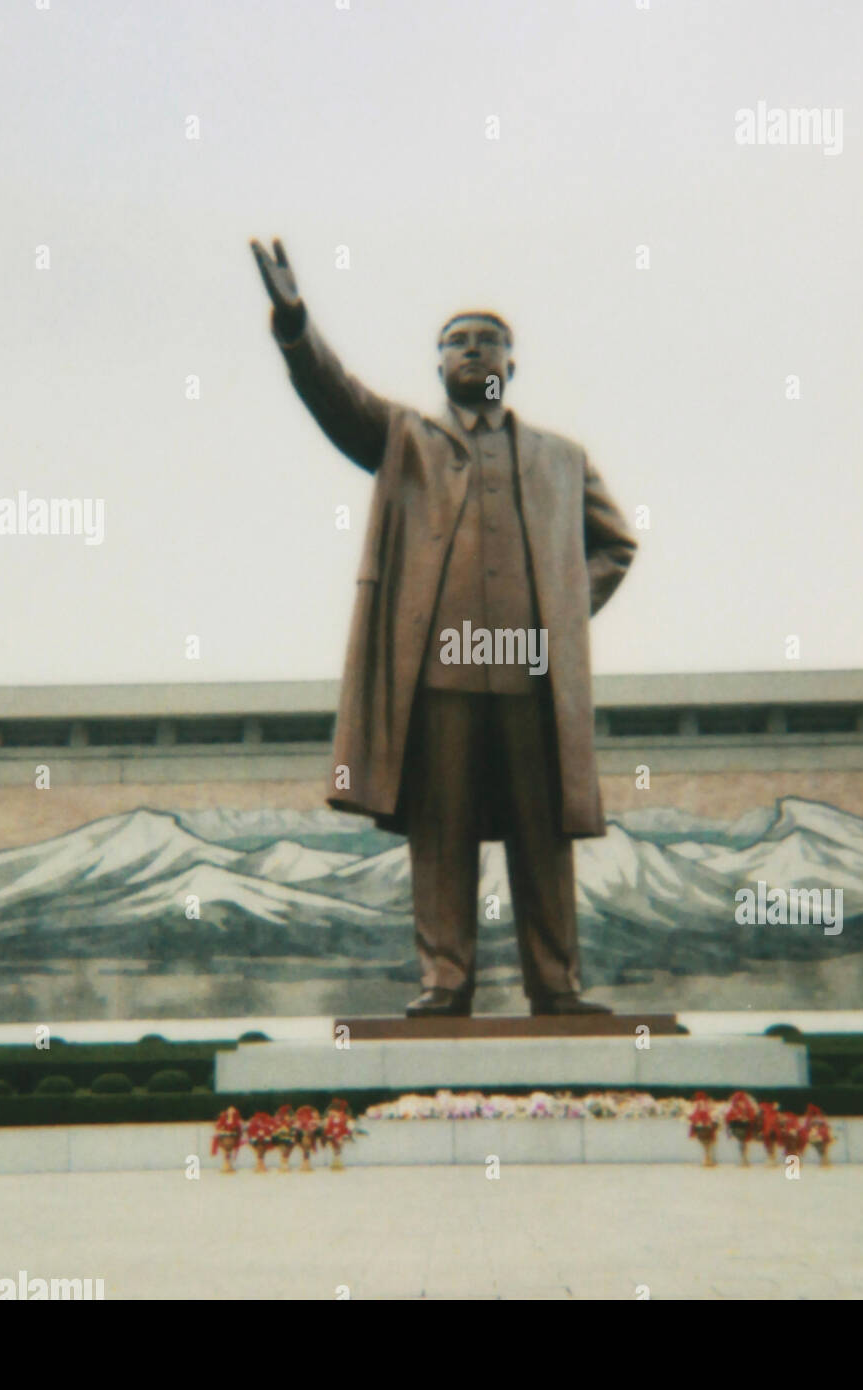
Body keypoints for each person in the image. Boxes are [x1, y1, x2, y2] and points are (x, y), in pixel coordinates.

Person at [252, 238, 637, 1018]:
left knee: (542, 835)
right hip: (440, 673)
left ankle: (556, 985)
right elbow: (335, 394)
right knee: (442, 833)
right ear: (438, 366)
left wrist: (561, 609)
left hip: (531, 671)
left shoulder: (563, 459)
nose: (473, 349)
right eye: (457, 340)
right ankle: (445, 981)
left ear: (511, 362)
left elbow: (616, 546)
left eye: (488, 338)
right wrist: (295, 323)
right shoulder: (405, 441)